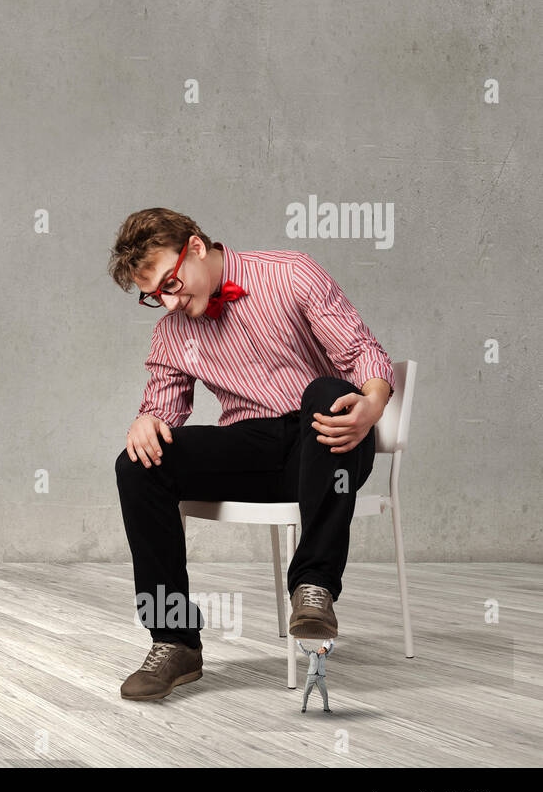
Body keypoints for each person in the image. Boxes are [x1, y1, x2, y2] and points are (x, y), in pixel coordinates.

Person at [109, 208, 394, 701]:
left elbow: (361, 351)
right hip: (254, 451)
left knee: (327, 389)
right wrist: (145, 420)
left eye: (172, 284)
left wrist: (371, 404)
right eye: (154, 297)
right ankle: (173, 638)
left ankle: (314, 588)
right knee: (138, 463)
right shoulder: (172, 330)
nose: (169, 302)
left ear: (196, 247)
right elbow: (163, 408)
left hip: (329, 442)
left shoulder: (289, 273)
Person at [297, 639, 334, 712]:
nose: (321, 651)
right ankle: (304, 707)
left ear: (324, 652)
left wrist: (332, 642)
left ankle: (326, 708)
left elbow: (331, 650)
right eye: (321, 649)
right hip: (311, 676)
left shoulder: (324, 656)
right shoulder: (311, 654)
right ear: (319, 648)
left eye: (323, 651)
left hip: (320, 677)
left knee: (324, 693)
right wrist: (298, 643)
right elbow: (303, 650)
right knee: (306, 692)